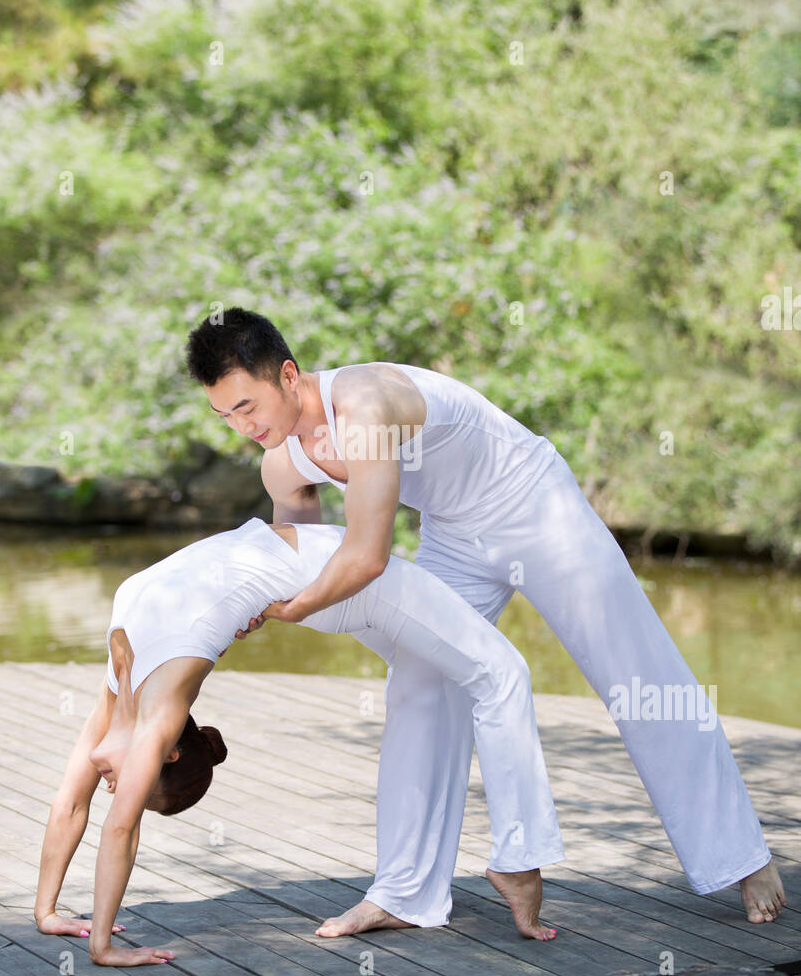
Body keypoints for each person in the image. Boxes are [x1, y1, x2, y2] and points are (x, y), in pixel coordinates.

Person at [184, 307, 786, 935]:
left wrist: (294, 607)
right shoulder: (282, 464)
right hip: (455, 534)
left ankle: (742, 858)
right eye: (224, 415)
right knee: (420, 683)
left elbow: (364, 557)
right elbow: (306, 567)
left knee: (637, 672)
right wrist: (256, 609)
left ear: (287, 374)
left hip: (532, 504)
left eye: (248, 406)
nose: (241, 427)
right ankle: (403, 891)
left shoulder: (362, 405)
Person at [33, 515, 568, 965]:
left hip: (344, 571)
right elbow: (70, 801)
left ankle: (518, 858)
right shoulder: (123, 692)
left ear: (167, 750)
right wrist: (47, 911)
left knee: (501, 670)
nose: (111, 787)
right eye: (134, 783)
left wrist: (102, 944)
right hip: (304, 575)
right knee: (438, 681)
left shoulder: (157, 712)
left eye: (134, 783)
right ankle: (408, 892)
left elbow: (121, 827)